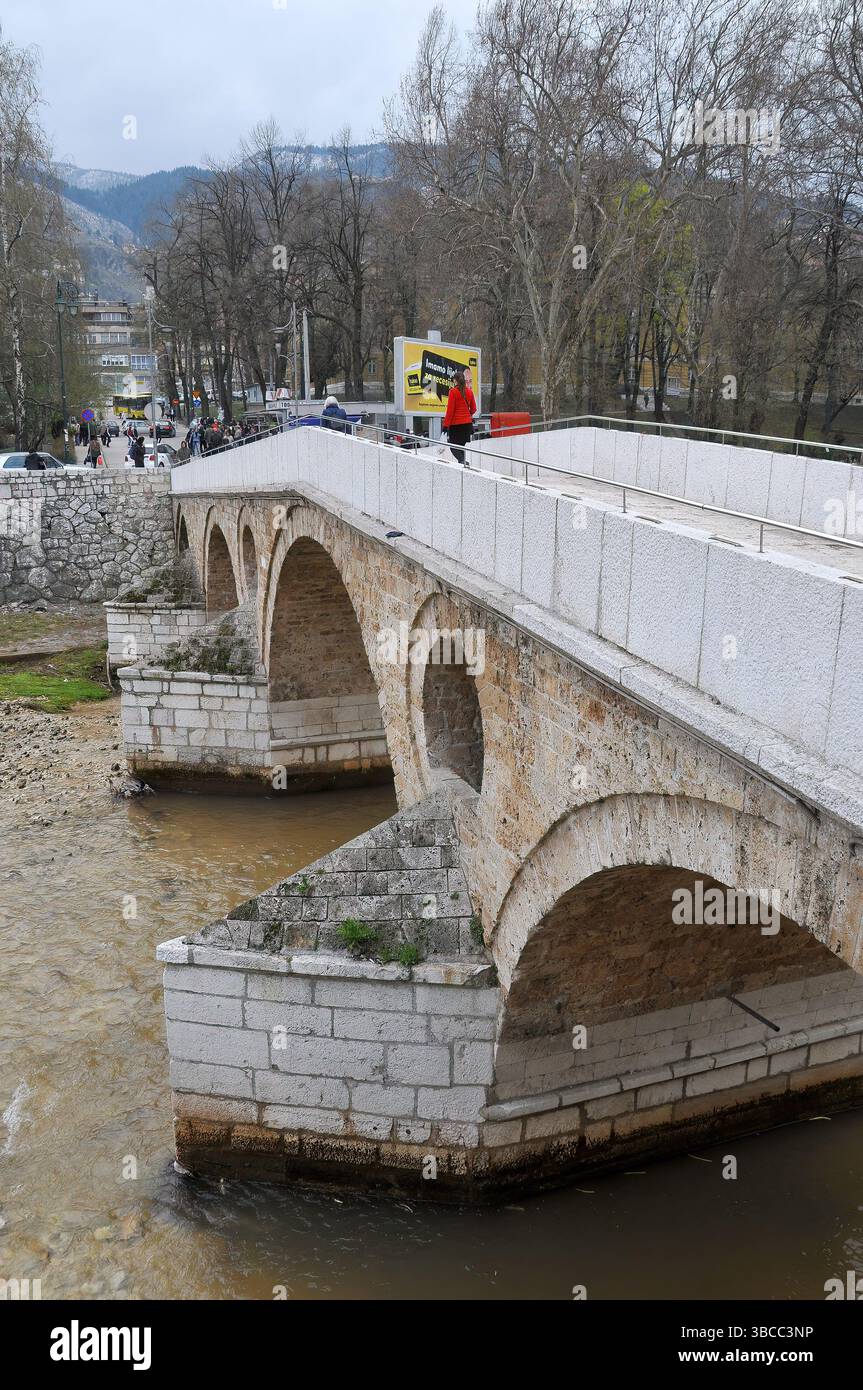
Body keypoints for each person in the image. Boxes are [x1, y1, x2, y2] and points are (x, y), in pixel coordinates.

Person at [442, 369, 477, 466]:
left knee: (453, 447)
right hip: (467, 425)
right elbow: (474, 409)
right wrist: (467, 415)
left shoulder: (453, 392)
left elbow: (450, 411)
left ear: (455, 381)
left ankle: (463, 462)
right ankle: (463, 463)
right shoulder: (469, 392)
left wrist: (445, 426)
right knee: (461, 446)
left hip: (456, 425)